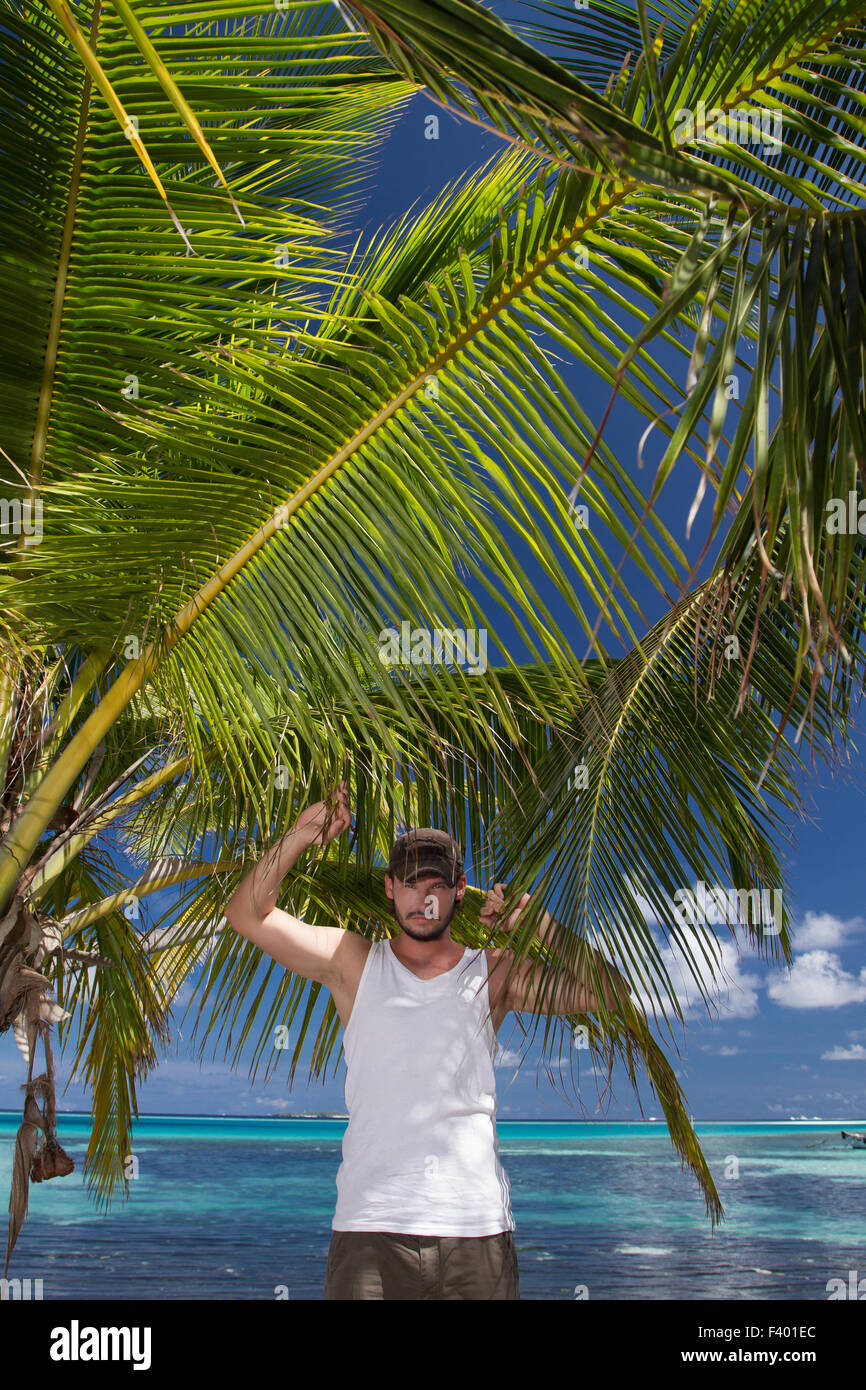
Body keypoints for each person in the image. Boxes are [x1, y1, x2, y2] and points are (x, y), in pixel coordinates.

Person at [224, 782, 631, 1300]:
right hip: (370, 1227)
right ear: (391, 887)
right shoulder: (352, 961)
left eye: (436, 883)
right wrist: (305, 832)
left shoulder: (493, 973)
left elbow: (610, 991)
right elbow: (245, 914)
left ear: (459, 890)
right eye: (412, 882)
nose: (425, 898)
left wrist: (540, 926)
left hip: (476, 1230)